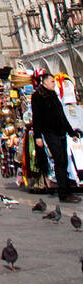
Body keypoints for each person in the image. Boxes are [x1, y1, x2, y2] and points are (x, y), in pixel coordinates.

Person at [31, 73, 82, 203]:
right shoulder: (38, 96)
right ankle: (64, 193)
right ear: (45, 82)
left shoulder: (53, 95)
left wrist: (71, 132)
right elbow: (36, 118)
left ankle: (67, 190)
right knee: (59, 161)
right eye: (52, 82)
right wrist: (37, 137)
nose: (55, 84)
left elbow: (62, 115)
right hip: (50, 133)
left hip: (61, 132)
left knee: (64, 161)